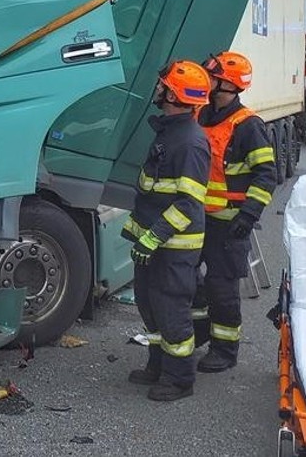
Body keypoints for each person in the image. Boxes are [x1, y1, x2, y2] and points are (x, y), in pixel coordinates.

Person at [124, 60, 212, 401]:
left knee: (171, 310)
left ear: (174, 95)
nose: (157, 89)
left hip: (173, 246)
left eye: (163, 86)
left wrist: (152, 237)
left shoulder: (190, 143)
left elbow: (189, 205)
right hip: (156, 243)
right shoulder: (170, 132)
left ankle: (179, 380)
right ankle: (158, 365)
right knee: (149, 305)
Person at [192, 51, 277, 373]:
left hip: (229, 225)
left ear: (227, 84)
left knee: (222, 290)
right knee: (187, 280)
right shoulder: (200, 115)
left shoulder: (248, 126)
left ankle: (225, 349)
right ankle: (199, 332)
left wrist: (248, 215)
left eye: (212, 77)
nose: (207, 81)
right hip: (196, 218)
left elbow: (265, 174)